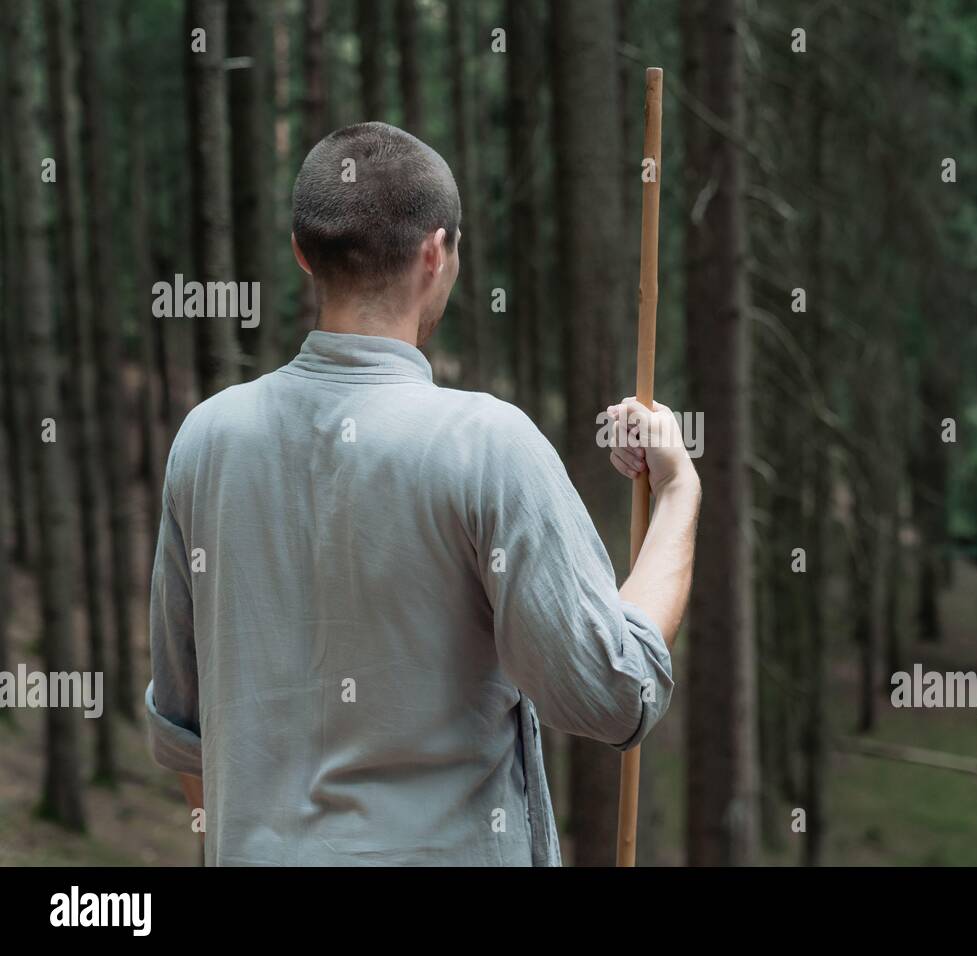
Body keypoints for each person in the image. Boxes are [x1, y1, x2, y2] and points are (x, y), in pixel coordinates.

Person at [144, 122, 701, 866]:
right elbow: (613, 693)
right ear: (436, 253)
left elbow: (183, 733)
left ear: (301, 252)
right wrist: (676, 494)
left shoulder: (206, 440)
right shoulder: (487, 445)